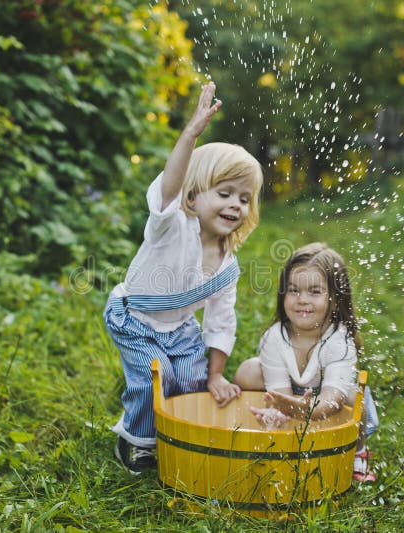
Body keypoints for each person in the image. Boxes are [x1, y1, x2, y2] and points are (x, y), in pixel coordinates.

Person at [104, 82, 264, 474]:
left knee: (191, 378)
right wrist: (191, 134)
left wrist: (216, 374)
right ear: (192, 197)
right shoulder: (172, 225)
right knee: (156, 376)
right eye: (225, 193)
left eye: (244, 199)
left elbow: (221, 321)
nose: (235, 204)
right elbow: (170, 186)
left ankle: (176, 432)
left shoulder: (226, 267)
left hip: (179, 329)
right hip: (134, 318)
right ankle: (135, 441)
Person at [233, 242, 379, 482]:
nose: (302, 300)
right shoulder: (275, 337)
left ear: (335, 299)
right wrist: (280, 408)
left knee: (356, 397)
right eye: (293, 290)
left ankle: (357, 453)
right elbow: (280, 393)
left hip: (328, 399)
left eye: (314, 292)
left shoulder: (339, 341)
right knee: (248, 370)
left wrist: (297, 408)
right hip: (290, 396)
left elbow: (331, 400)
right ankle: (259, 426)